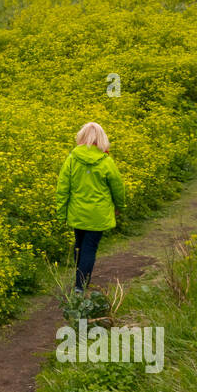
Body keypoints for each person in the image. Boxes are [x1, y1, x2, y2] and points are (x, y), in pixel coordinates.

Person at [54, 121, 126, 293]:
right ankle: (80, 285)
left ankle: (79, 280)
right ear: (101, 139)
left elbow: (62, 187)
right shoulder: (106, 161)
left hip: (77, 213)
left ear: (81, 137)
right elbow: (118, 187)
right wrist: (119, 206)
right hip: (98, 215)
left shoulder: (72, 159)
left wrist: (61, 213)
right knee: (89, 248)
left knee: (79, 245)